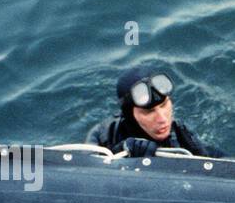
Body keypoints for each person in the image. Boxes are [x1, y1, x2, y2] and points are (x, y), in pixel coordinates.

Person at [85, 65, 223, 157]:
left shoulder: (182, 136)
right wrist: (120, 153)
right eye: (149, 111)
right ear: (130, 115)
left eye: (164, 105)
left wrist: (201, 154)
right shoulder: (102, 136)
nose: (162, 119)